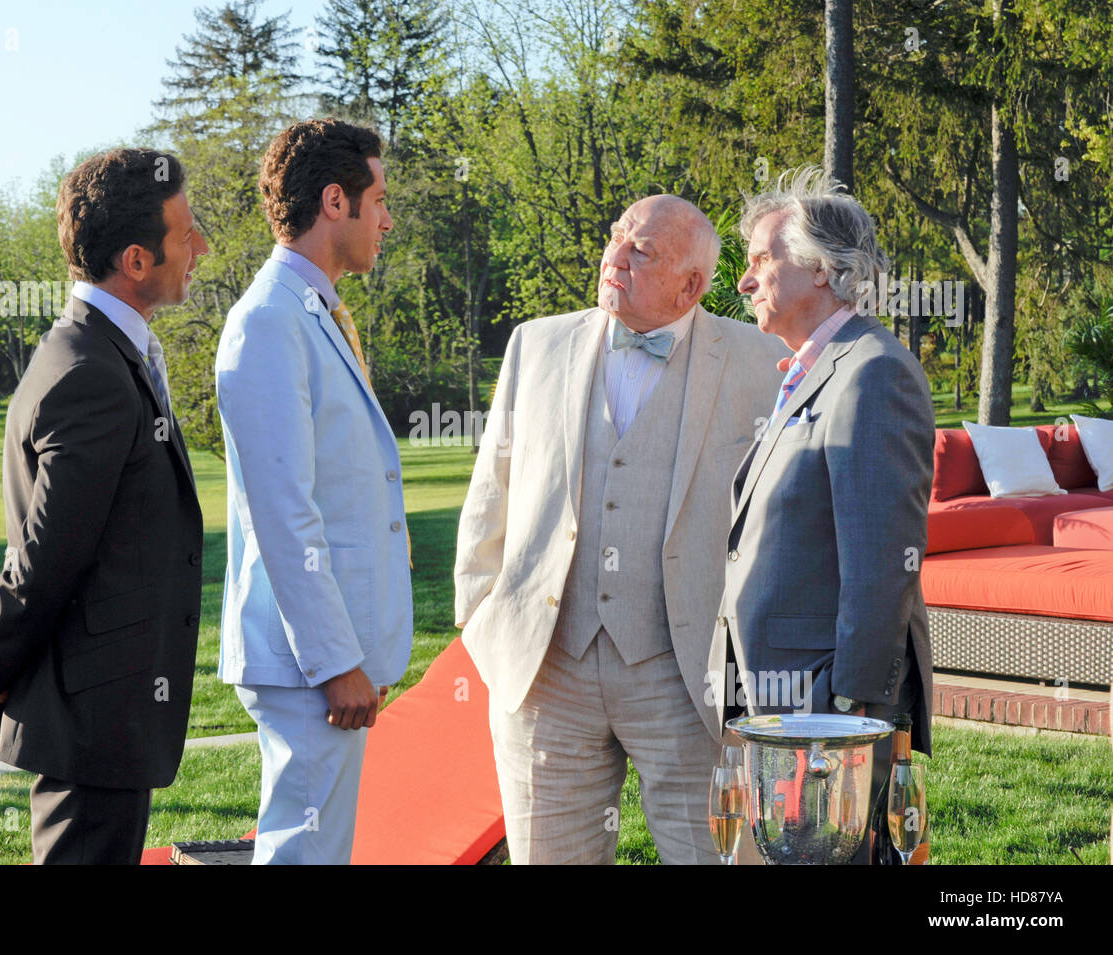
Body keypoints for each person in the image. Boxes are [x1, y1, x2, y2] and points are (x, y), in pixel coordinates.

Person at [454, 195, 787, 864]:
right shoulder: (537, 343)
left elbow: (785, 514)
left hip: (690, 676)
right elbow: (492, 490)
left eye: (642, 251)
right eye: (616, 238)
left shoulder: (761, 360)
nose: (615, 256)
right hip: (547, 670)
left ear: (690, 284)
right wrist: (483, 618)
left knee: (722, 859)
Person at [0, 148, 208, 864]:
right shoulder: (90, 373)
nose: (201, 246)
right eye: (186, 233)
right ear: (136, 258)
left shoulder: (98, 354)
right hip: (95, 719)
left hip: (106, 717)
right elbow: (46, 557)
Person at [706, 166, 935, 864]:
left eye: (761, 261)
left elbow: (879, 563)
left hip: (826, 720)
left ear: (824, 270)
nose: (744, 283)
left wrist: (851, 721)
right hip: (782, 711)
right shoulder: (813, 367)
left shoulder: (871, 371)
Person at [216, 119, 411, 865]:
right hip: (307, 666)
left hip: (323, 658)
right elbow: (283, 516)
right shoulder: (268, 322)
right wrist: (334, 661)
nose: (387, 218)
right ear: (337, 201)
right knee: (303, 855)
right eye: (380, 199)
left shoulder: (312, 311)